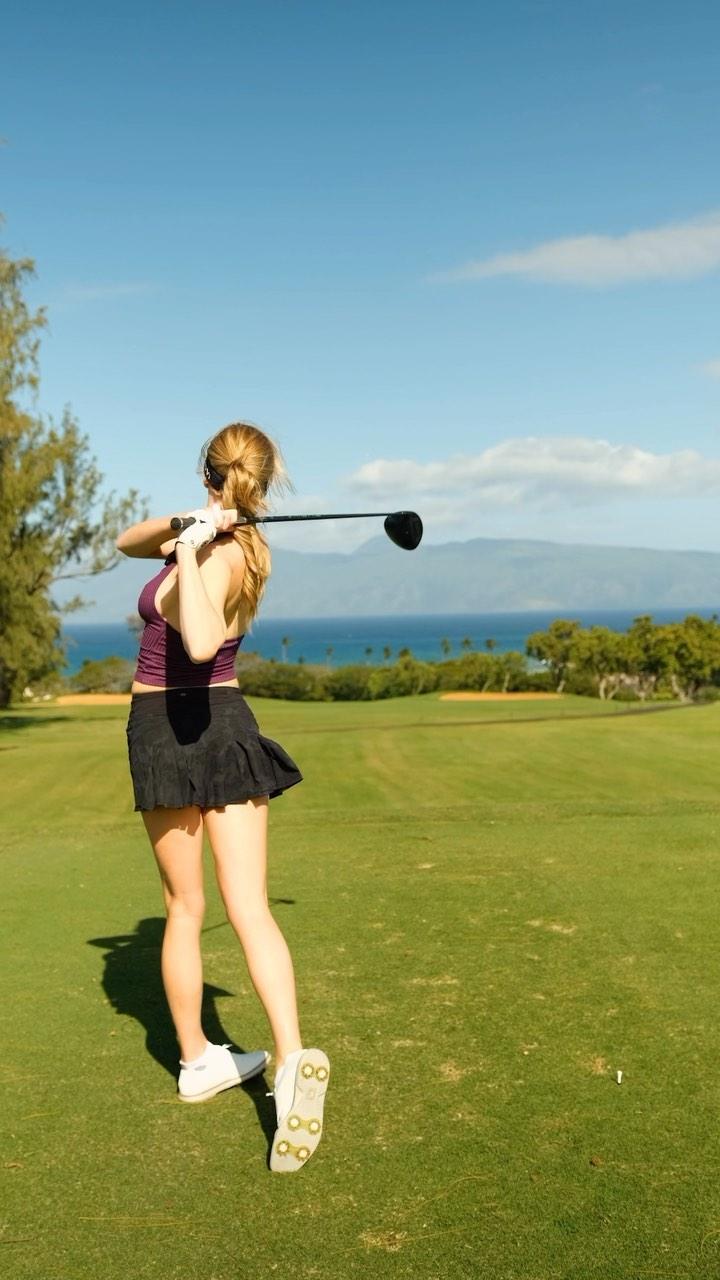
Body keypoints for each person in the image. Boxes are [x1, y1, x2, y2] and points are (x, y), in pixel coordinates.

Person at [117, 421, 329, 1174]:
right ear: (260, 483)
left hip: (187, 723)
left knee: (198, 907)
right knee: (233, 908)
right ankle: (217, 1058)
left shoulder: (228, 553)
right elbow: (124, 541)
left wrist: (191, 549)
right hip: (186, 727)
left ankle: (279, 1061)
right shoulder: (224, 537)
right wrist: (186, 526)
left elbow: (201, 643)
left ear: (208, 470)